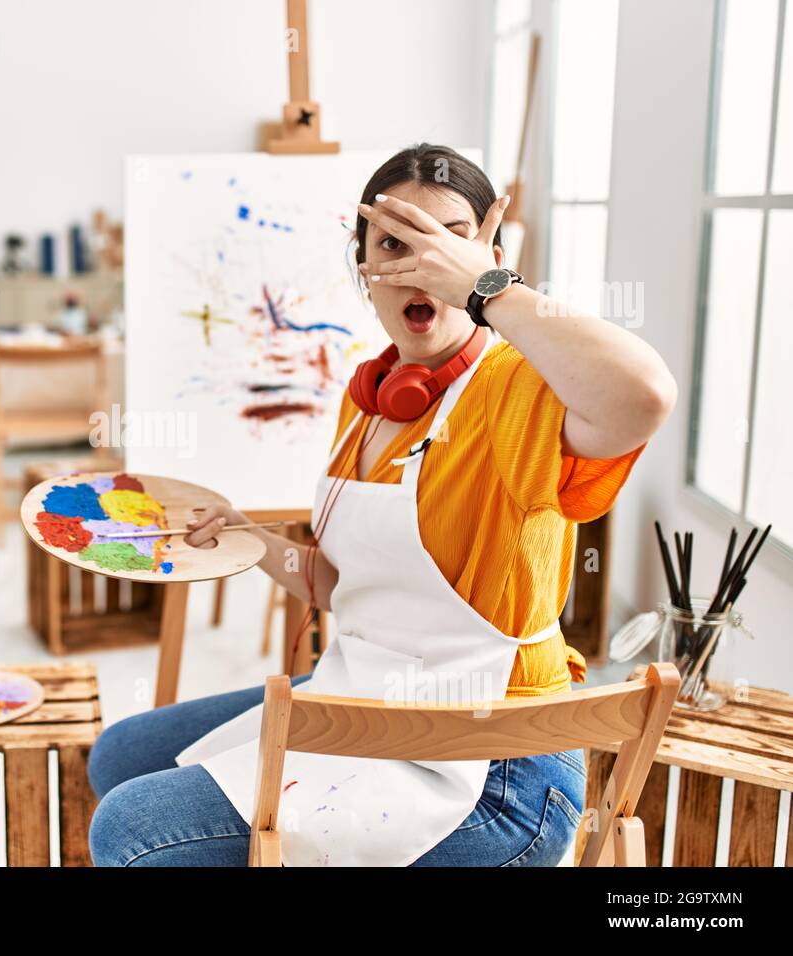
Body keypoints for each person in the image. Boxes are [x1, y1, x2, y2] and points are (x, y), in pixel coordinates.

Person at [86, 144, 678, 867]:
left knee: (132, 830)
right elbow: (344, 588)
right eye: (395, 243)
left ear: (486, 253)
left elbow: (643, 395)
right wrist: (249, 540)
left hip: (494, 765)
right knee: (121, 754)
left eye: (448, 240)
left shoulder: (515, 386)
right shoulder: (370, 402)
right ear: (363, 268)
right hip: (372, 700)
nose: (422, 265)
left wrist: (488, 285)